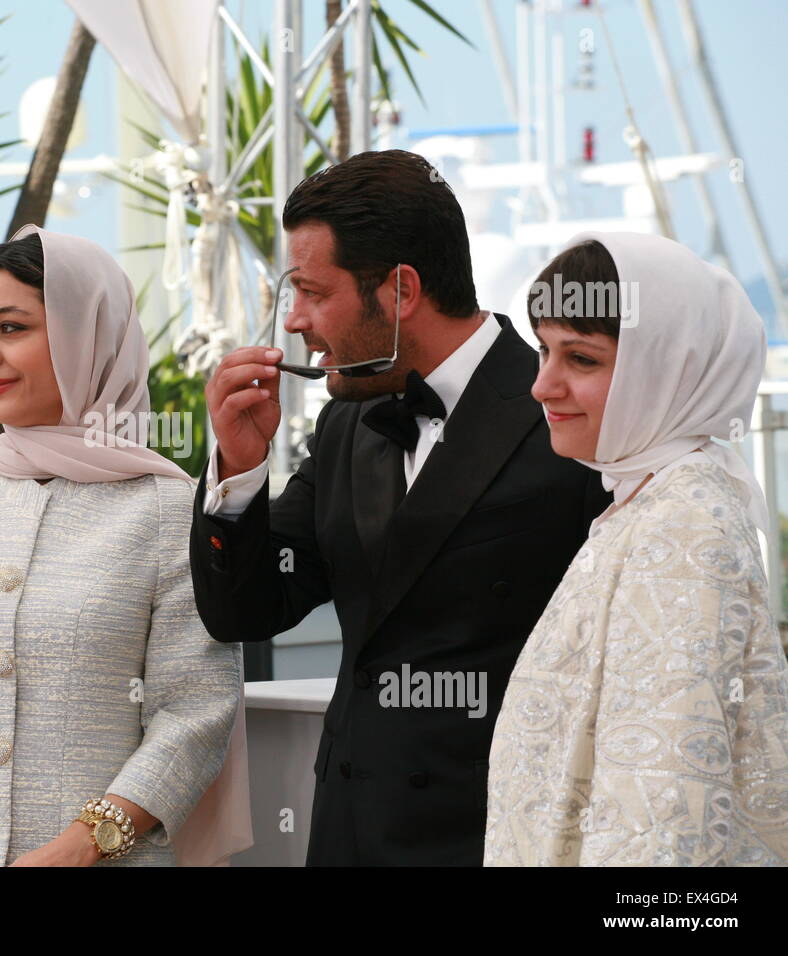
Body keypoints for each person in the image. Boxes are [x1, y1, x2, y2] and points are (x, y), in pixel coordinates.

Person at [188, 149, 613, 865]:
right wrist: (237, 469)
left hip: (494, 837)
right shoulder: (347, 422)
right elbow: (247, 611)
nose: (293, 322)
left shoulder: (563, 416)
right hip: (347, 832)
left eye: (311, 292)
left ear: (401, 291)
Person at [0, 225, 249, 866]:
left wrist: (79, 848)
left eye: (12, 328)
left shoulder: (170, 510)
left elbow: (194, 711)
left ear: (87, 335)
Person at [485, 232, 788, 866]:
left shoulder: (685, 527)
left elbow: (664, 808)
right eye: (544, 351)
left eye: (582, 359)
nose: (543, 385)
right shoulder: (647, 500)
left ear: (668, 366)